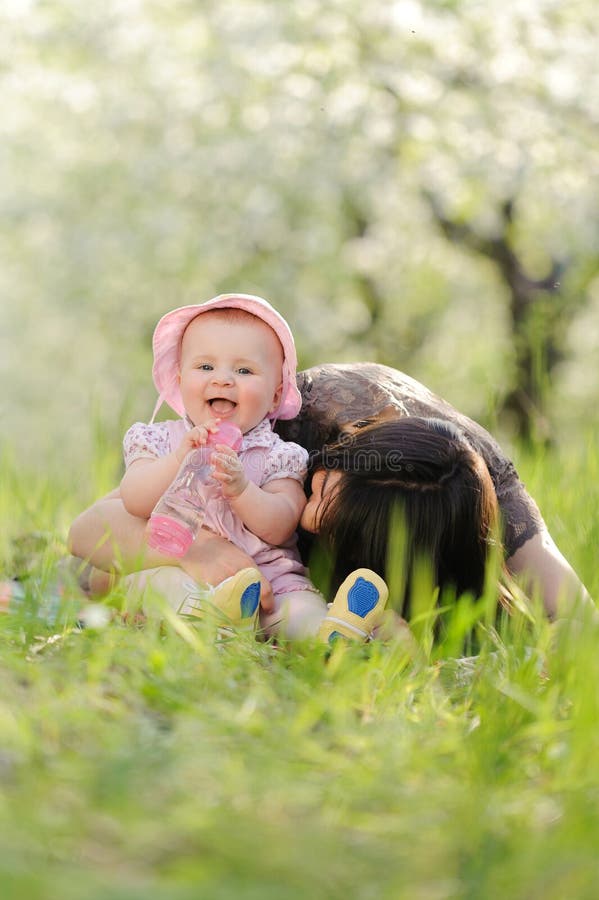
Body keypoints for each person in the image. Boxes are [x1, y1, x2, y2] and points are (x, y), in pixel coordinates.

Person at [69, 362, 592, 636]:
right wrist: (197, 551)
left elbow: (577, 616)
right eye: (323, 490)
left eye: (334, 524)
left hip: (286, 592)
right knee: (102, 576)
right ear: (349, 448)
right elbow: (94, 528)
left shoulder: (489, 515)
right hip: (201, 539)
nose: (309, 518)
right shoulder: (298, 422)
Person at [85, 292, 330, 633]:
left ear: (275, 394)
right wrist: (177, 459)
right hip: (182, 568)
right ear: (180, 379)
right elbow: (134, 500)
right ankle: (210, 616)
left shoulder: (278, 454)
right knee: (157, 583)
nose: (223, 379)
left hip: (269, 581)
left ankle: (328, 635)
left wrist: (242, 490)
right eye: (205, 366)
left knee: (298, 608)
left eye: (244, 370)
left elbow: (281, 523)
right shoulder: (159, 441)